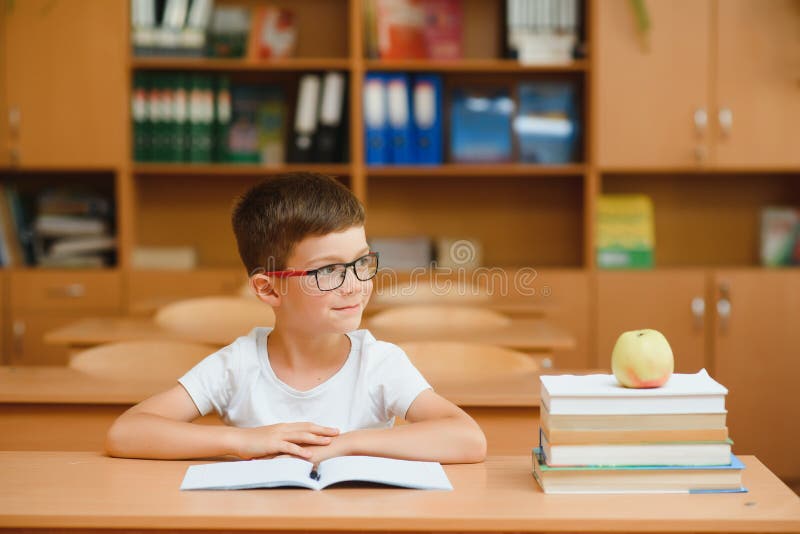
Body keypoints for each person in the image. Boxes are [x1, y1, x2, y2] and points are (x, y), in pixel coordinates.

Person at [106, 172, 487, 465]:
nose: (354, 285)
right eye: (327, 271)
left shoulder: (378, 363)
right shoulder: (238, 364)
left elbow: (467, 438)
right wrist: (243, 442)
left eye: (362, 262)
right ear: (269, 289)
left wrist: (347, 445)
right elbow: (127, 432)